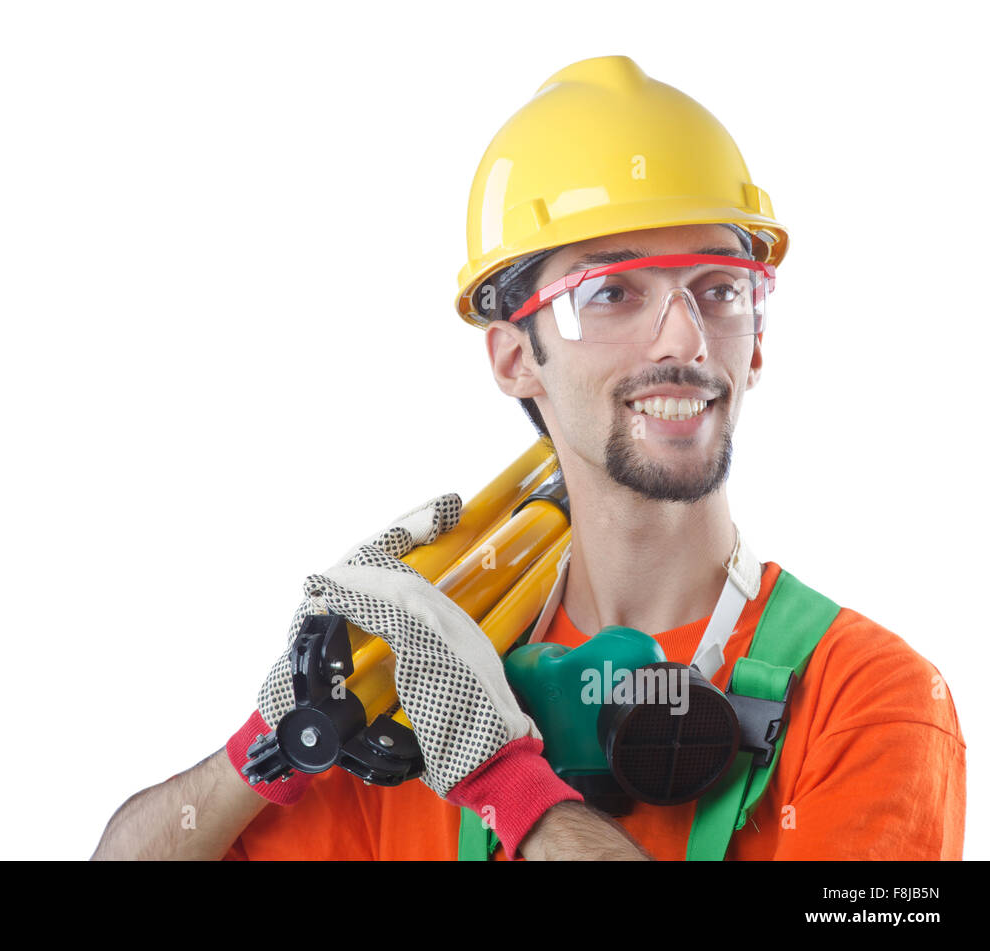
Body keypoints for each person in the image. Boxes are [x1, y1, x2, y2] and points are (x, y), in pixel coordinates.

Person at [92, 55, 966, 861]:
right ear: (515, 357)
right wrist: (282, 730)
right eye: (611, 292)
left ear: (759, 343)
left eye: (718, 288)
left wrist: (503, 781)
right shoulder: (415, 688)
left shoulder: (870, 701)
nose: (685, 336)